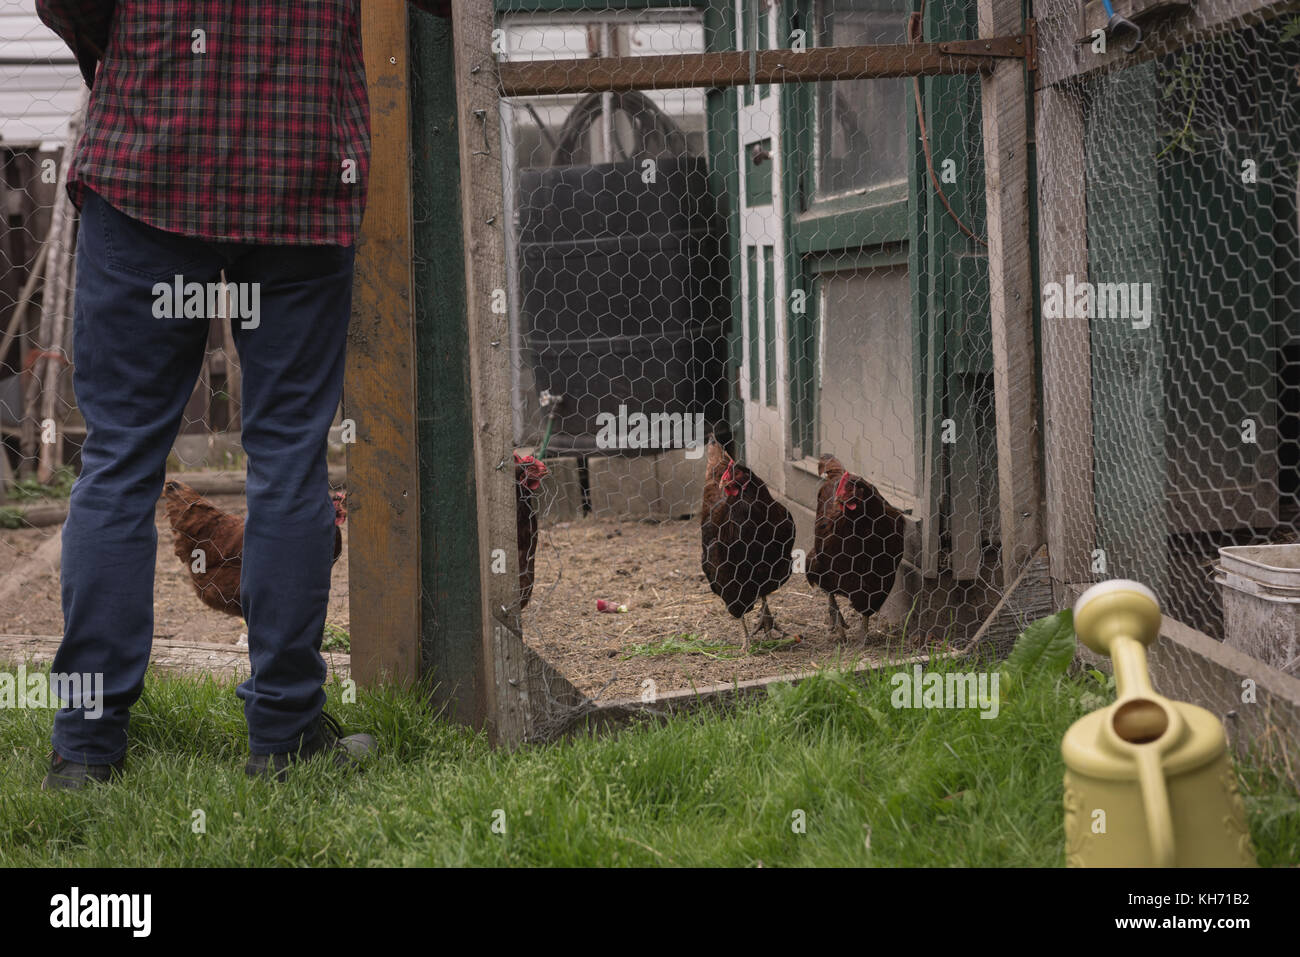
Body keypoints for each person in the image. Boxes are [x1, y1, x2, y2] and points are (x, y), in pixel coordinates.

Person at [35, 0, 451, 789]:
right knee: (289, 454)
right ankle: (286, 731)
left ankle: (86, 748)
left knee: (120, 457)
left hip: (150, 153)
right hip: (298, 161)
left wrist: (121, 53)